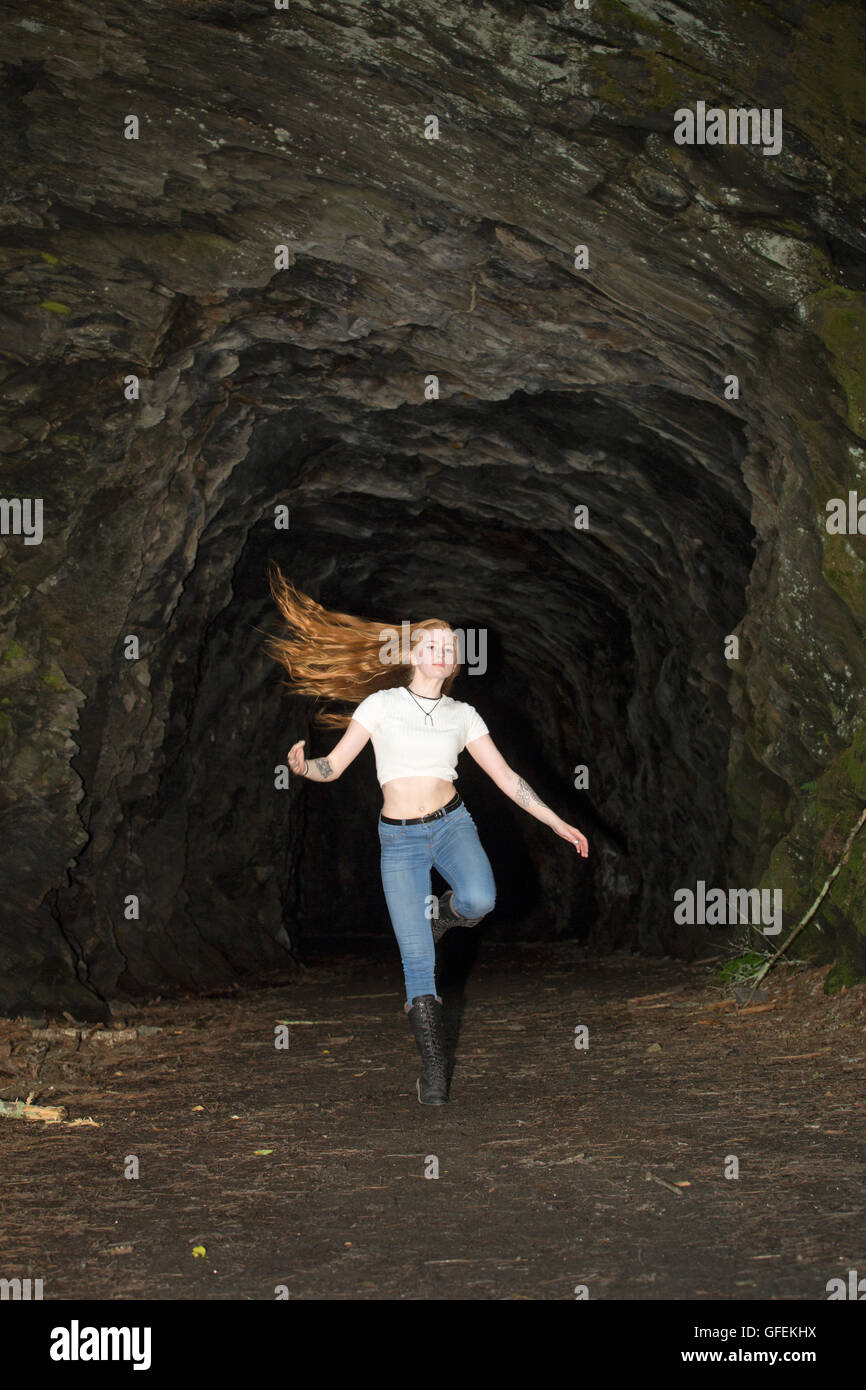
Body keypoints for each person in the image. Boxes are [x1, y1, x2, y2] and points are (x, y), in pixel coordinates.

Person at [265, 566, 589, 1106]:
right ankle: (434, 1077)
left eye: (450, 646)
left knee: (481, 898)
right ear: (414, 655)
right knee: (418, 962)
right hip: (399, 840)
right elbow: (335, 767)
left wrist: (557, 822)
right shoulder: (381, 706)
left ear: (455, 661)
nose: (442, 651)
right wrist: (305, 769)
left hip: (451, 824)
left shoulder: (464, 715)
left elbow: (508, 778)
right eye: (432, 644)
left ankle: (444, 915)